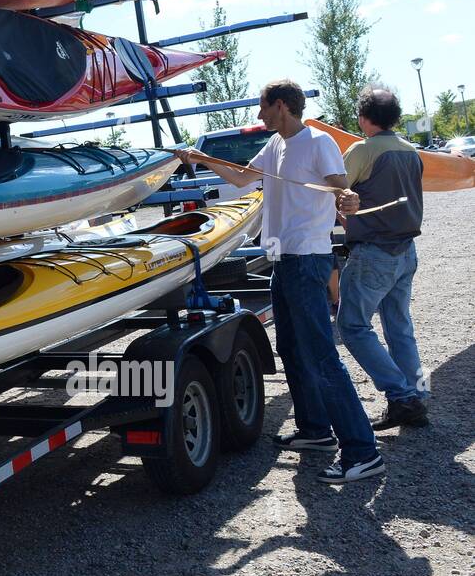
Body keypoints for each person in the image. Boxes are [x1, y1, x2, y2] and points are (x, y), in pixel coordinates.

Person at [177, 79, 383, 484]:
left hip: (307, 260)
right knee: (290, 347)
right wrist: (199, 158)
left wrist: (349, 201)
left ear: (283, 106)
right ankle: (315, 431)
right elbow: (241, 178)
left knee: (322, 355)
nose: (258, 114)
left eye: (263, 106)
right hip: (283, 260)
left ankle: (362, 451)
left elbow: (343, 192)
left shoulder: (319, 142)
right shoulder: (276, 146)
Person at [334, 87, 427, 429]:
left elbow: (335, 189)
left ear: (363, 117)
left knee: (353, 326)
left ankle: (401, 396)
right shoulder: (410, 150)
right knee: (399, 326)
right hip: (406, 251)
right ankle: (415, 398)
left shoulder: (362, 150)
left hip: (374, 252)